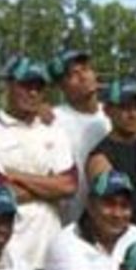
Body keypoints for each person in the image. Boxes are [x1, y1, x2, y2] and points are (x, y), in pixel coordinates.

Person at [0, 56, 77, 270]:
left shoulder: (54, 130)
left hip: (50, 253)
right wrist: (49, 186)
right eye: (26, 85)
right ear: (9, 85)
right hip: (6, 254)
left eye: (39, 87)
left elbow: (68, 186)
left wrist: (17, 176)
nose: (33, 92)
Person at [85, 77, 136, 234]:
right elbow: (109, 212)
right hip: (124, 238)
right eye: (125, 108)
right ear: (107, 110)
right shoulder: (100, 158)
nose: (132, 114)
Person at [51, 48, 110, 223]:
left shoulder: (112, 115)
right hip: (70, 223)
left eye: (85, 69)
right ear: (62, 86)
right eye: (72, 75)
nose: (83, 76)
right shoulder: (53, 121)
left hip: (111, 218)